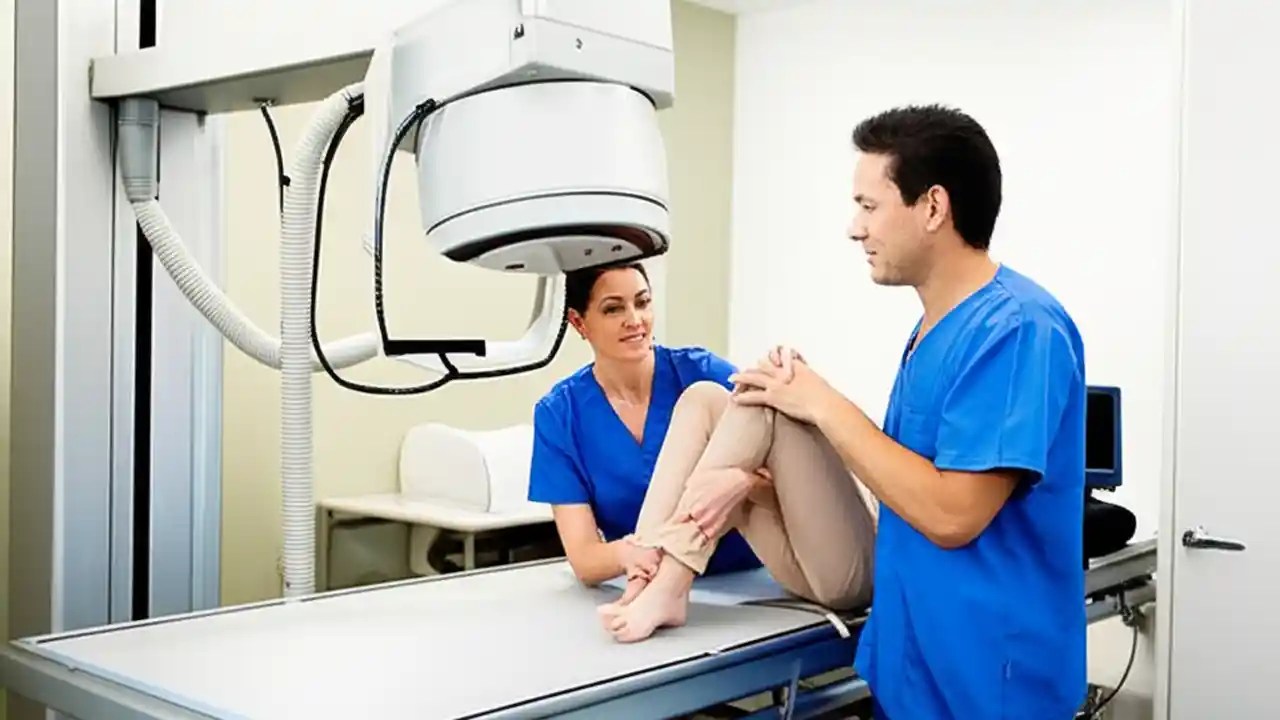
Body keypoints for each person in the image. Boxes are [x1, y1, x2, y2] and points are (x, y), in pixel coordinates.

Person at [725, 105, 1089, 719]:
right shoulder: (933, 329)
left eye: (869, 206)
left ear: (932, 207)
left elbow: (952, 514)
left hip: (990, 686)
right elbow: (905, 478)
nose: (854, 228)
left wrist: (823, 404)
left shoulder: (1018, 328)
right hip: (918, 673)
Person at [527, 261, 764, 587]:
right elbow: (585, 560)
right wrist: (632, 553)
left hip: (753, 580)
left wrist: (742, 480)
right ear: (579, 322)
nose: (634, 320)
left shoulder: (704, 376)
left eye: (642, 302)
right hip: (651, 582)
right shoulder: (559, 415)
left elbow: (783, 472)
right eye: (613, 309)